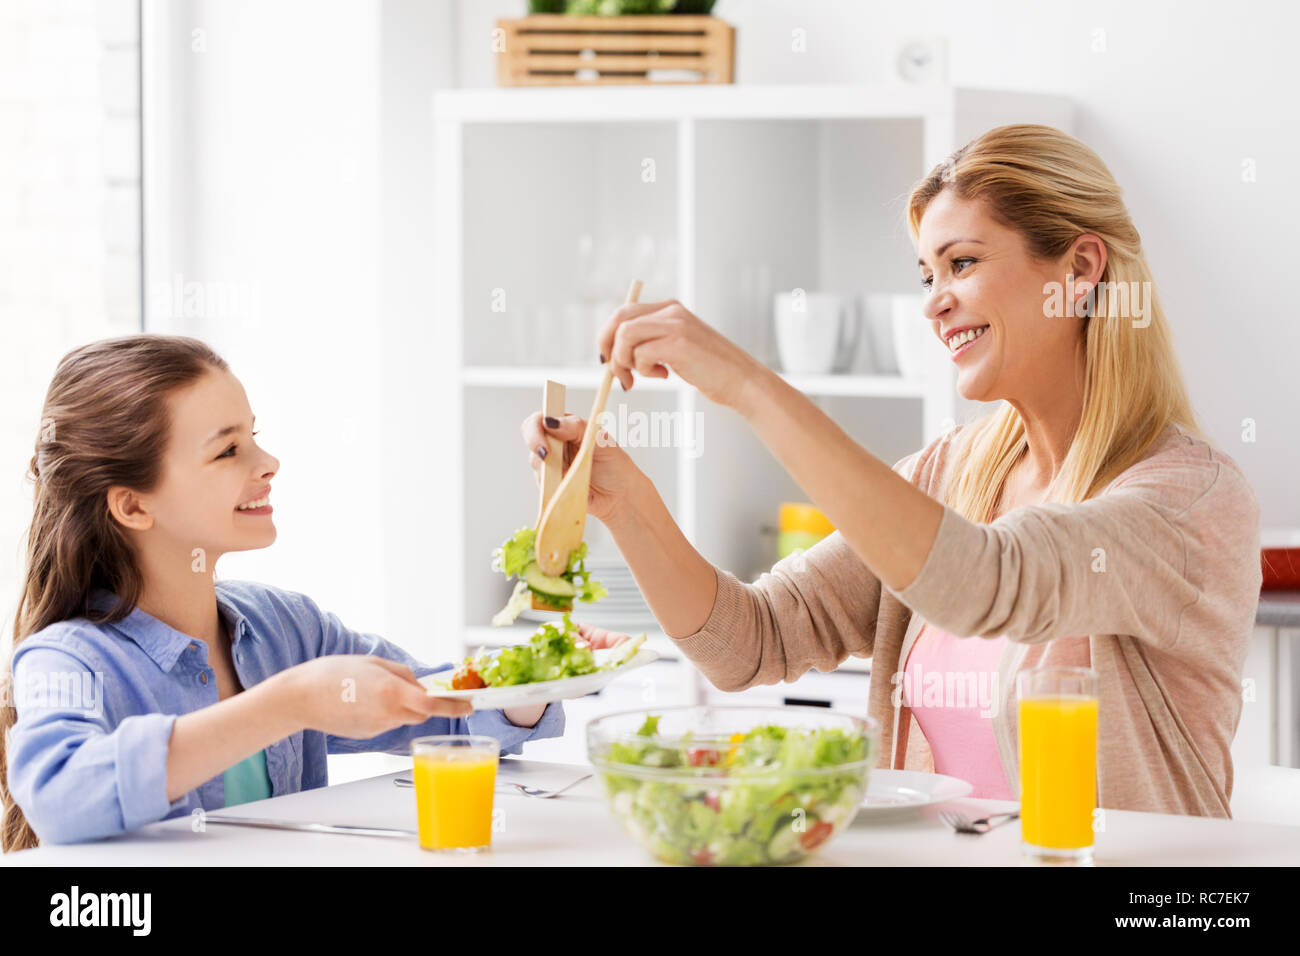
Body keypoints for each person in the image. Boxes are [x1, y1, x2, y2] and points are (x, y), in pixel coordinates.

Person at [521, 124, 1260, 817]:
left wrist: (749, 385)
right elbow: (751, 642)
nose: (936, 303)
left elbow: (983, 583)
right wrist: (626, 504)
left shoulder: (1186, 500)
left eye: (962, 263)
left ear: (1080, 269)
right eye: (927, 274)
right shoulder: (949, 471)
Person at [1, 335, 563, 850]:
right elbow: (60, 799)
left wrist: (541, 670)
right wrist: (289, 703)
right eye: (227, 451)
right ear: (133, 504)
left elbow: (449, 719)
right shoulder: (66, 660)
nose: (268, 464)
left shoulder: (287, 629)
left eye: (254, 437)